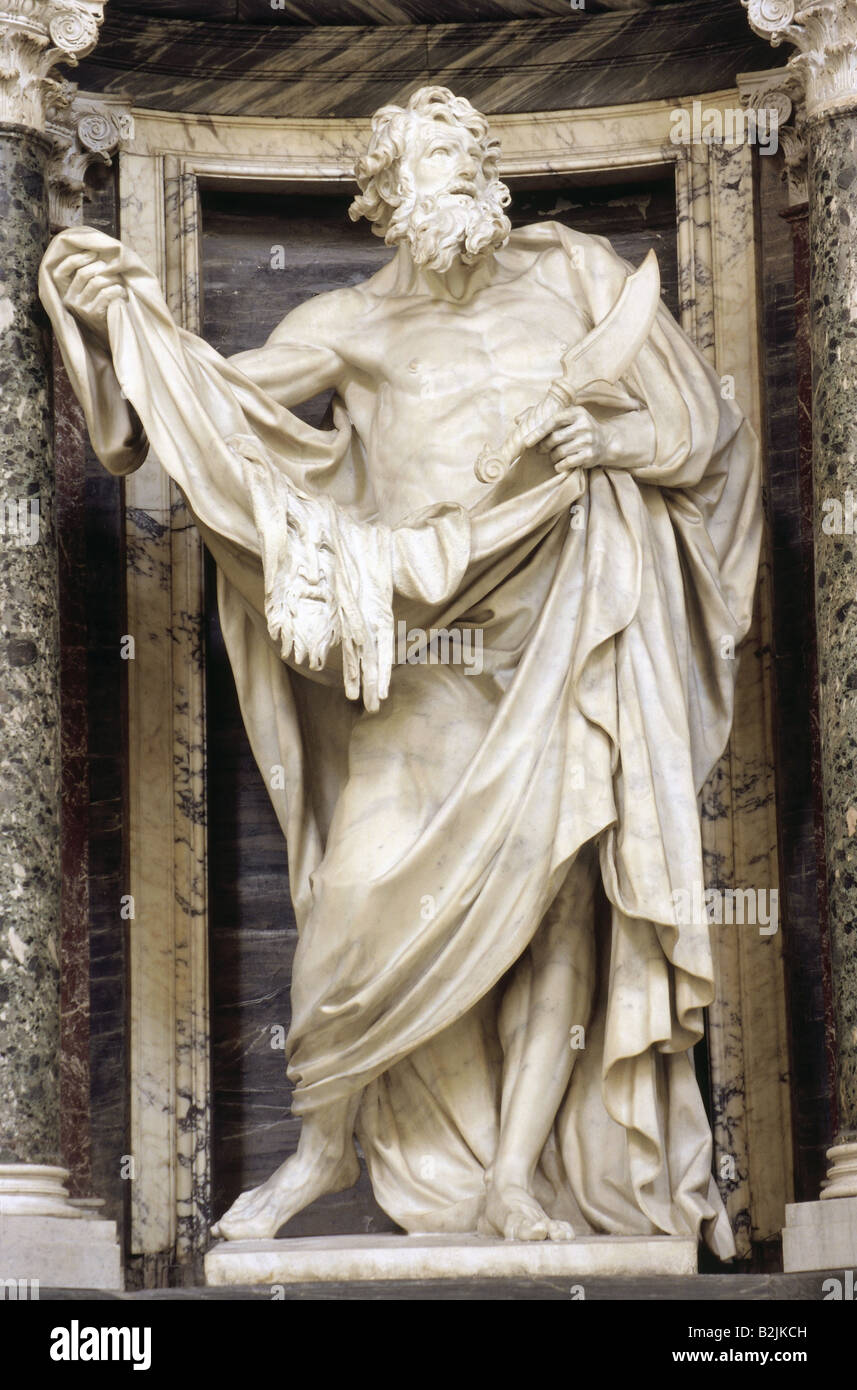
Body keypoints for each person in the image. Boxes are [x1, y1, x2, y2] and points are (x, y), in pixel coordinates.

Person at [41, 86, 760, 1256]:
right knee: (352, 903)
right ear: (383, 200)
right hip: (422, 653)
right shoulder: (349, 322)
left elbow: (705, 440)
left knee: (554, 914)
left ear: (488, 171)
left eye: (461, 153)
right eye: (422, 162)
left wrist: (616, 440)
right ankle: (321, 1148)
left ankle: (515, 1180)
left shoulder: (577, 275)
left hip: (566, 633)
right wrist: (123, 316)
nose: (450, 177)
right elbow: (210, 411)